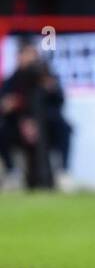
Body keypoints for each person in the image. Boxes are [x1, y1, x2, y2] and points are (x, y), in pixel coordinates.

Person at [0, 43, 71, 190]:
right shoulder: (11, 81)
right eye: (25, 55)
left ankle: (63, 172)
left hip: (46, 125)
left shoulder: (46, 77)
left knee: (64, 127)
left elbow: (59, 102)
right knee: (2, 131)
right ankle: (12, 172)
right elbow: (4, 106)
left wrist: (50, 89)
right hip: (18, 126)